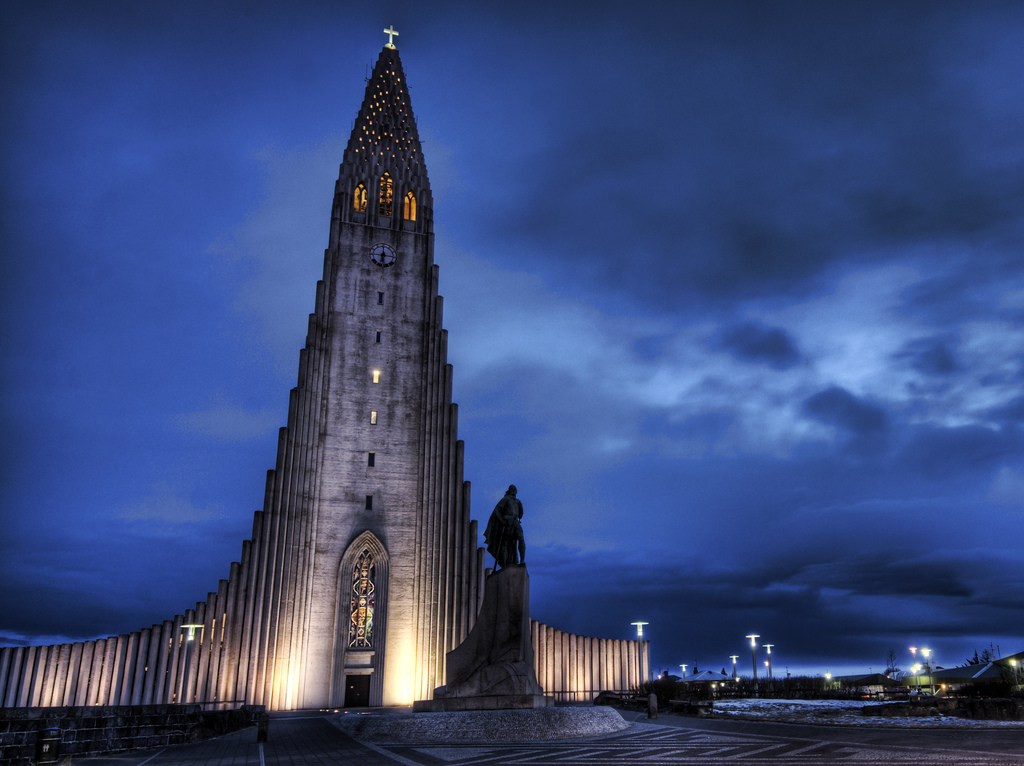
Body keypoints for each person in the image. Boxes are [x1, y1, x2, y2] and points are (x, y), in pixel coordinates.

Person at [484, 484, 525, 569]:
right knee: (505, 542)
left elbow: (520, 514)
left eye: (514, 489)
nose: (513, 490)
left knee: (521, 539)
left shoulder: (517, 501)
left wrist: (520, 508)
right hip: (507, 521)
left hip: (515, 521)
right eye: (511, 489)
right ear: (509, 490)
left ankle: (522, 560)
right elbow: (497, 510)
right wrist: (502, 520)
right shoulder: (506, 499)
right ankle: (505, 563)